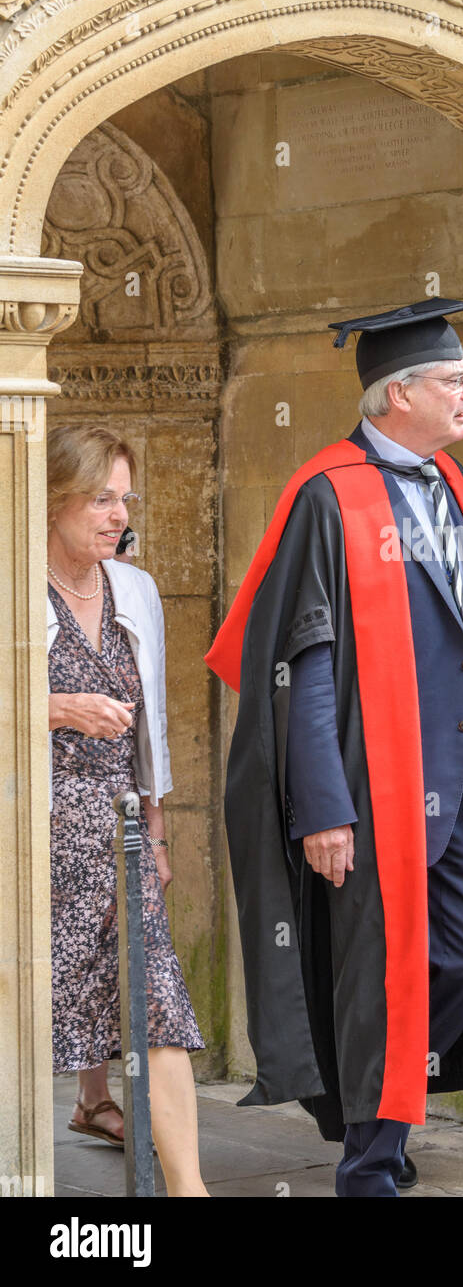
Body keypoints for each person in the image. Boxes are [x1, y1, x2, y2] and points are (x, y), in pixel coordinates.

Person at [206, 296, 463, 1197]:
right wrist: (321, 806)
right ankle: (371, 1159)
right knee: (377, 974)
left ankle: (370, 1094)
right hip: (371, 784)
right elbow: (300, 666)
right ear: (398, 394)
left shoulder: (453, 485)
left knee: (462, 956)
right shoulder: (329, 495)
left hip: (456, 783)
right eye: (453, 378)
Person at [47, 424, 209, 1197]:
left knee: (159, 1002)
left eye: (124, 498)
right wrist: (53, 707)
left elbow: (154, 725)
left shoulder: (134, 588)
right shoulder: (11, 582)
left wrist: (156, 826)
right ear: (53, 498)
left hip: (116, 834)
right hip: (30, 835)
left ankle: (188, 1190)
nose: (117, 514)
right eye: (99, 498)